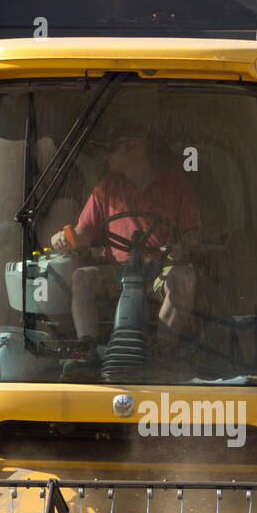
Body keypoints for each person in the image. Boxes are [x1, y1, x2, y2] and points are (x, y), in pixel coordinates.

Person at [50, 128, 199, 368]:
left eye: (111, 149)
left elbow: (192, 232)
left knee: (184, 276)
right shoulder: (105, 188)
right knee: (82, 277)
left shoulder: (176, 184)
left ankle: (162, 351)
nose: (106, 157)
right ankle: (87, 350)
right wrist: (64, 239)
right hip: (118, 271)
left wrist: (182, 248)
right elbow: (84, 233)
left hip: (160, 271)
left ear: (135, 147)